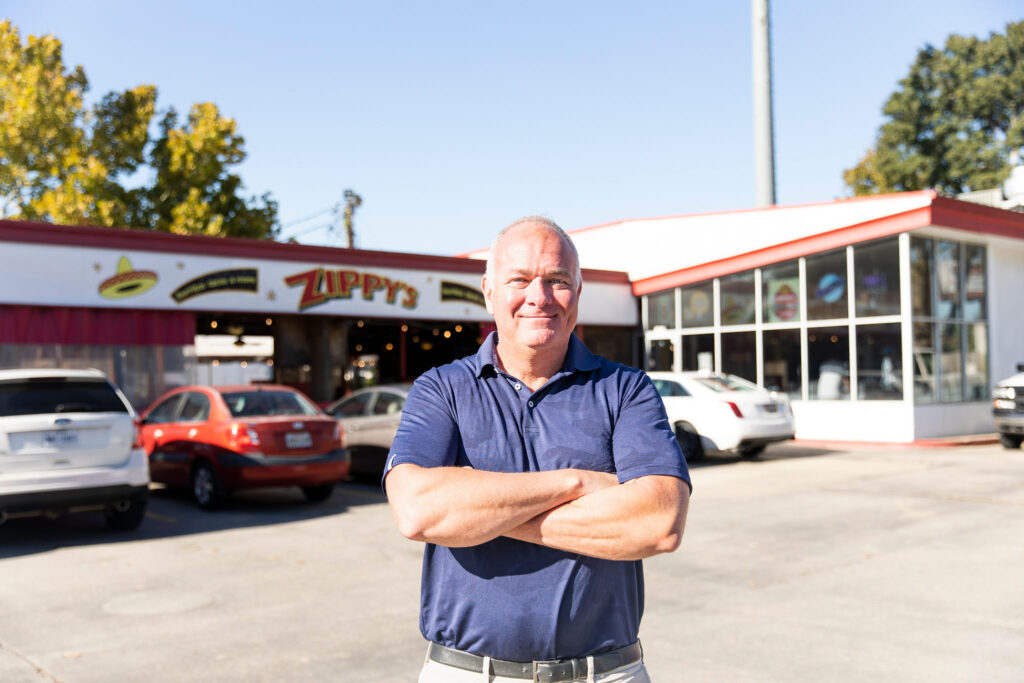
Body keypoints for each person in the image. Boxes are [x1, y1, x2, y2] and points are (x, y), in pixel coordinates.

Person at [384, 216, 691, 682]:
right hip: (467, 673)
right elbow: (418, 511)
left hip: (604, 674)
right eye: (520, 279)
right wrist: (578, 482)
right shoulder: (441, 389)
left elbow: (659, 522)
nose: (539, 297)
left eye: (557, 280)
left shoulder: (625, 389)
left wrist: (477, 514)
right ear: (489, 291)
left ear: (578, 292)